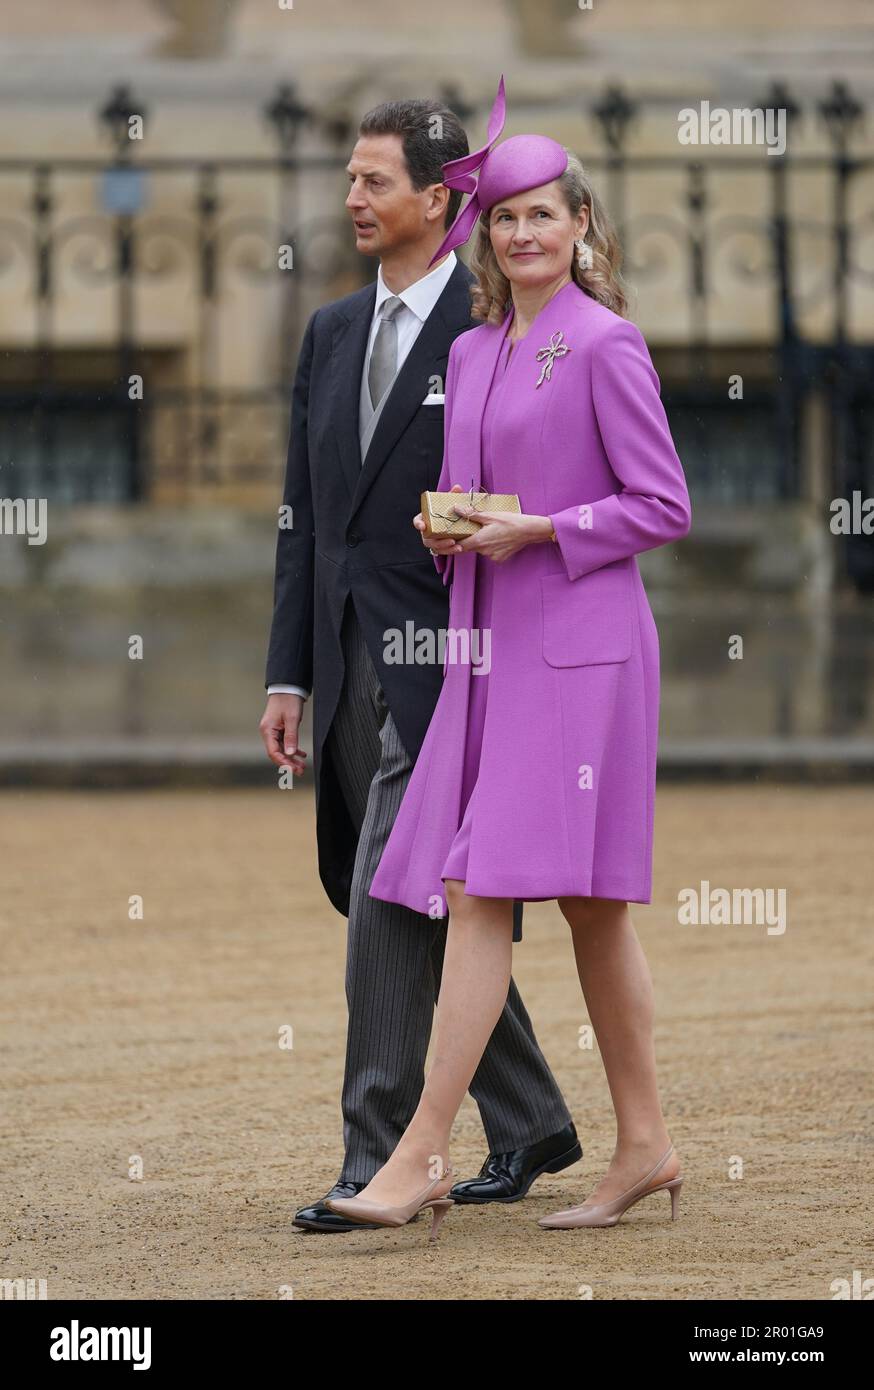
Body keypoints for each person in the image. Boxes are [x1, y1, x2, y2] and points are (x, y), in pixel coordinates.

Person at [327, 76, 692, 1240]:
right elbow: (478, 495)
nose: (526, 231)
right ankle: (642, 1145)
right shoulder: (478, 352)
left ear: (582, 224)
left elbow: (662, 504)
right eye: (509, 215)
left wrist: (543, 529)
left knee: (478, 887)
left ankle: (417, 1153)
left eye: (547, 213)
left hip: (583, 655)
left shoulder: (607, 343)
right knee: (589, 912)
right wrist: (454, 529)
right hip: (491, 646)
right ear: (484, 228)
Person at [260, 93, 582, 1234]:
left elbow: (548, 477)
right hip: (349, 660)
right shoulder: (331, 331)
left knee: (385, 904)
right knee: (413, 893)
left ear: (437, 198)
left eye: (372, 181)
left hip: (459, 655)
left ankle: (379, 1155)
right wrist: (287, 672)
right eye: (349, 178)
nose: (351, 197)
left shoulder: (497, 324)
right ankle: (534, 1115)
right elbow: (306, 519)